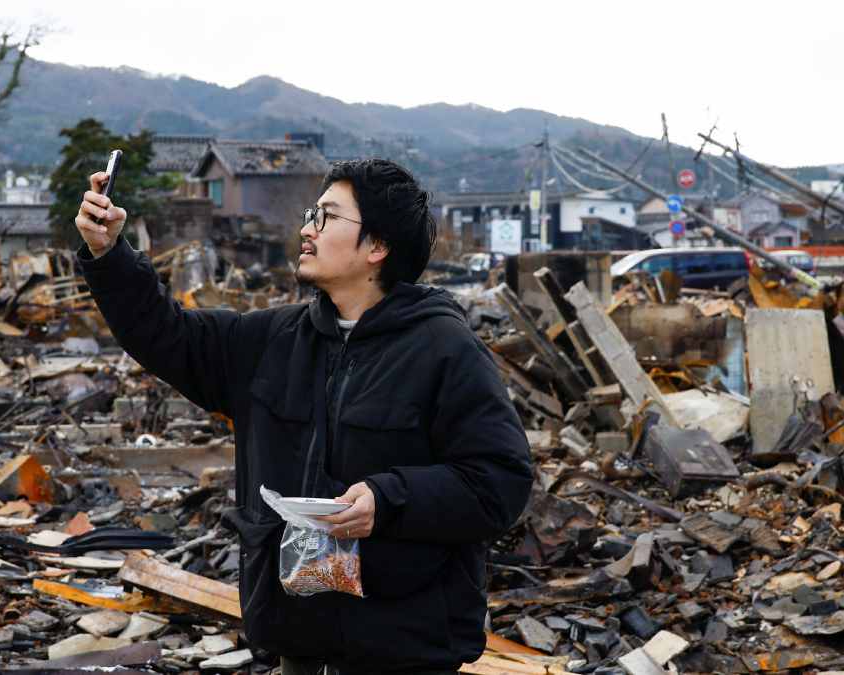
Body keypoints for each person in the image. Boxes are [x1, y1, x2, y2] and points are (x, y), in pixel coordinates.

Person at [74, 158, 533, 674]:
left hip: (403, 648)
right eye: (311, 213)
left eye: (327, 217)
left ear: (377, 247)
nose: (306, 230)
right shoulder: (273, 340)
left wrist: (388, 499)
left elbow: (500, 480)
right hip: (298, 636)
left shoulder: (445, 350)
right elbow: (166, 333)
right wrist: (109, 253)